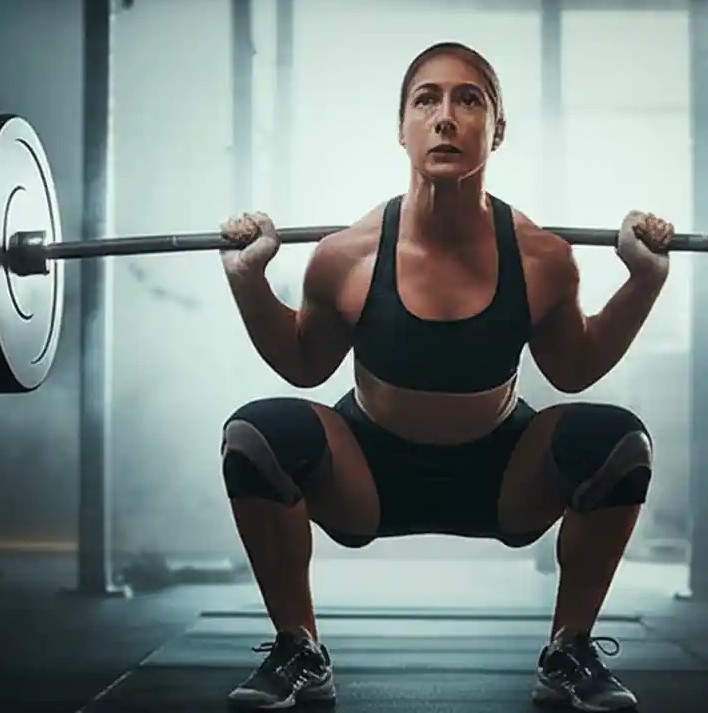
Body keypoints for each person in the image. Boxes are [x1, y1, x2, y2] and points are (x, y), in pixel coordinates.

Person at [217, 41, 675, 712]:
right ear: (401, 127)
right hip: (366, 475)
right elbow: (302, 364)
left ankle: (568, 652)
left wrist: (645, 279)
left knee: (619, 443)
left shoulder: (544, 256)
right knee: (256, 433)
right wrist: (246, 279)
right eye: (426, 99)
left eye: (470, 99)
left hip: (500, 478)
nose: (446, 117)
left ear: (497, 128)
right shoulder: (346, 255)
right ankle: (299, 650)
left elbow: (573, 370)